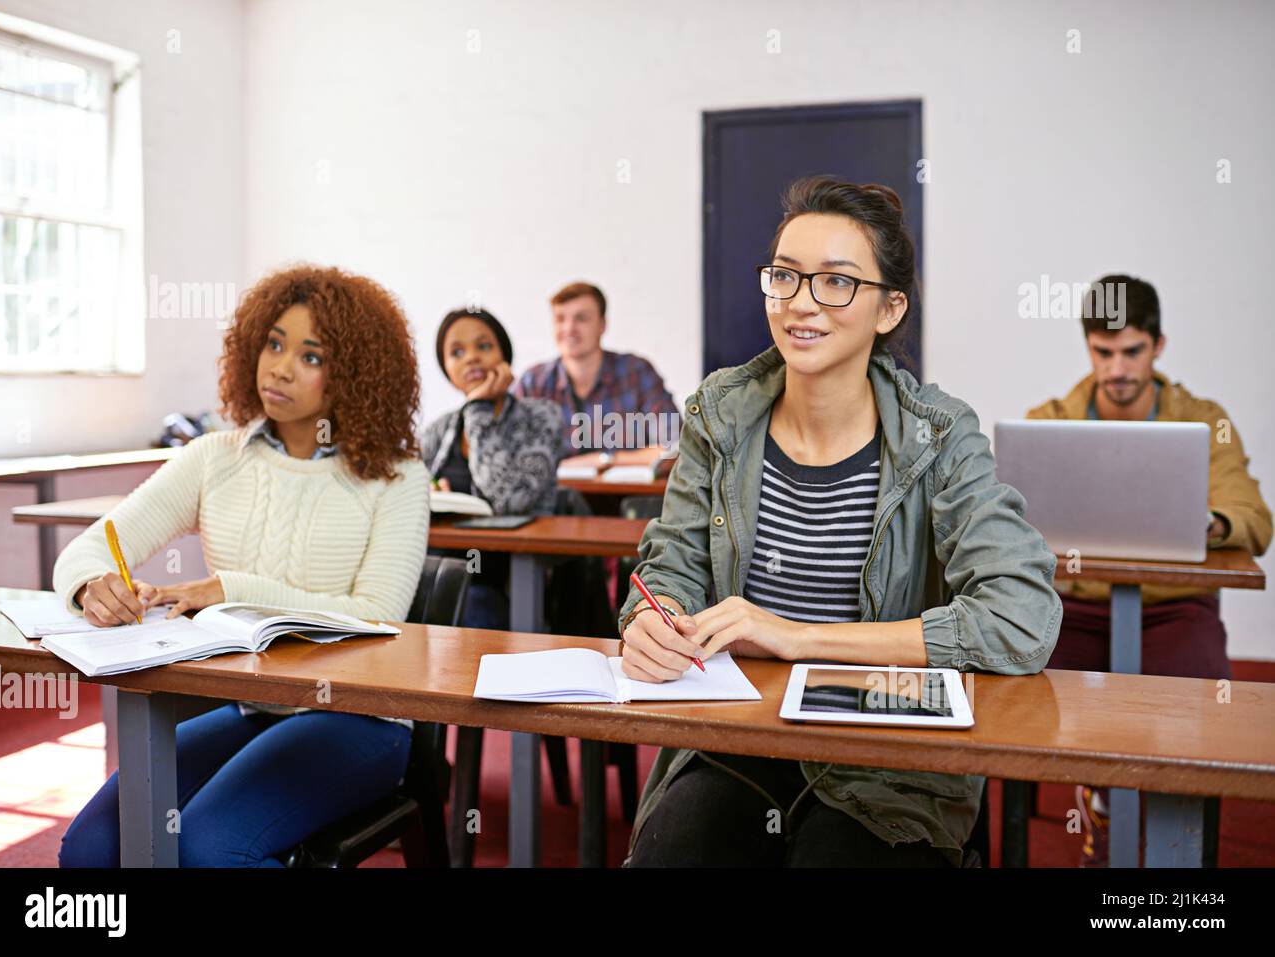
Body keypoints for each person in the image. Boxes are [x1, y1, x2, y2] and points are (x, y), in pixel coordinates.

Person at [618, 175, 1061, 867]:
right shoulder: (719, 413)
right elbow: (669, 563)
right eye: (786, 277)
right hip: (739, 736)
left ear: (889, 308)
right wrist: (652, 617)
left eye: (836, 283)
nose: (800, 303)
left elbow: (1021, 618)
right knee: (675, 850)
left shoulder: (939, 435)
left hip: (888, 757)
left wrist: (798, 637)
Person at [55, 265, 431, 867]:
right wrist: (91, 585)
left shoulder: (397, 477)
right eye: (274, 342)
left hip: (360, 720)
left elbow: (377, 618)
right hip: (250, 706)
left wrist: (228, 589)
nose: (279, 366)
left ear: (356, 375)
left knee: (208, 847)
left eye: (311, 356)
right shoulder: (213, 457)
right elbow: (93, 546)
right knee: (92, 847)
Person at [1026, 274, 1271, 865]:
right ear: (1088, 347)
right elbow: (1010, 519)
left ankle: (1168, 854)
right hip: (1073, 610)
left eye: (1132, 351)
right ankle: (1096, 807)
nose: (1117, 369)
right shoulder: (1049, 420)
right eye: (1103, 352)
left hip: (1173, 610)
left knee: (1198, 710)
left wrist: (1206, 521)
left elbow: (1253, 518)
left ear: (1158, 346)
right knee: (1014, 698)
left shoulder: (1203, 419)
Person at [420, 307, 562, 628]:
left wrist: (479, 409)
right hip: (438, 567)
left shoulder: (541, 417)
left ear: (504, 356)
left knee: (472, 606)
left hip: (506, 575)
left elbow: (506, 499)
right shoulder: (438, 431)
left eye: (483, 346)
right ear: (446, 367)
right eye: (457, 352)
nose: (471, 358)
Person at [513, 280, 680, 467]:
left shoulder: (636, 373)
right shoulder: (533, 382)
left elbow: (673, 449)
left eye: (581, 318)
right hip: (557, 494)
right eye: (560, 319)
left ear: (602, 325)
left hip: (629, 493)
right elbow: (507, 452)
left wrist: (603, 460)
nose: (569, 328)